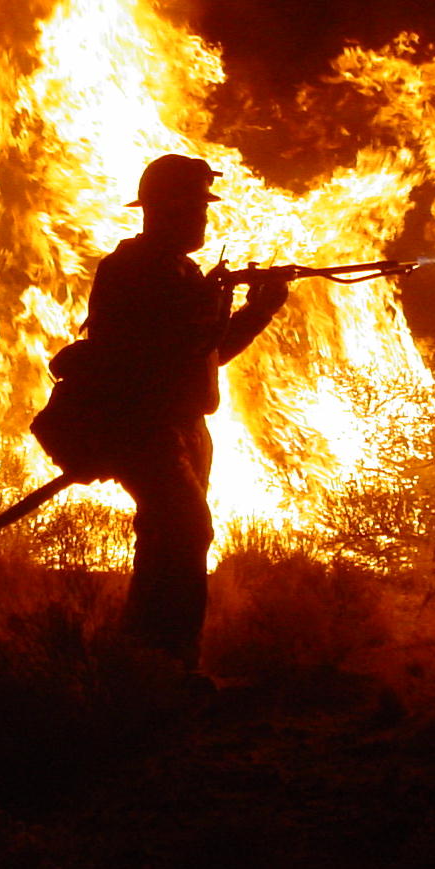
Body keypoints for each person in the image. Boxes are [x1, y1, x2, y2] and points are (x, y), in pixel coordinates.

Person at [69, 154, 291, 677]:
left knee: (171, 538)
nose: (202, 218)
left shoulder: (184, 273)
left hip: (187, 425)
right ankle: (170, 666)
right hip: (145, 427)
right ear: (161, 211)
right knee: (186, 531)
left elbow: (206, 353)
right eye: (193, 208)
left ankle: (145, 661)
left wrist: (256, 310)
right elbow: (151, 351)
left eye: (202, 208)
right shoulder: (127, 270)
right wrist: (206, 307)